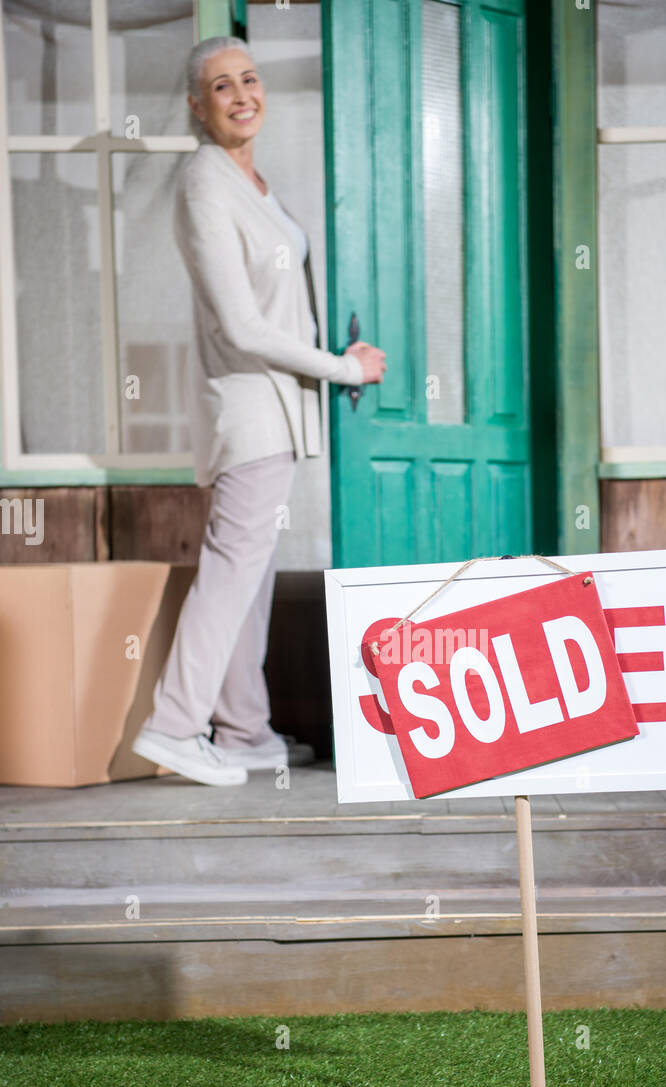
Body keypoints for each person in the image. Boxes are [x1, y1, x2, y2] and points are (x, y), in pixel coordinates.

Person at [133, 36, 386, 787]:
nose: (242, 94)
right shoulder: (205, 184)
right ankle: (174, 726)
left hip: (272, 414)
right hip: (249, 410)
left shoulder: (250, 181)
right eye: (221, 86)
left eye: (249, 79)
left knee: (249, 575)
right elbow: (243, 327)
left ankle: (243, 730)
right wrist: (345, 367)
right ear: (196, 105)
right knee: (230, 572)